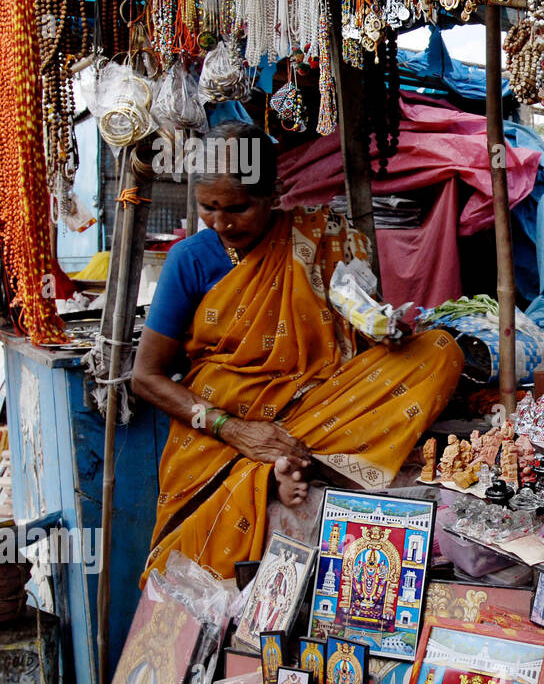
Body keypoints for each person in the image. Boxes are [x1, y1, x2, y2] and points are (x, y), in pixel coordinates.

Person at [133, 123, 463, 583]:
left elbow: (353, 332)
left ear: (276, 193)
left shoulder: (319, 237)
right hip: (227, 419)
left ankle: (286, 461)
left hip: (317, 408)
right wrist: (235, 429)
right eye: (209, 207)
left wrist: (384, 332)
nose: (222, 223)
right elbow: (146, 377)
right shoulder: (189, 259)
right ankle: (268, 466)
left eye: (238, 208)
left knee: (440, 351)